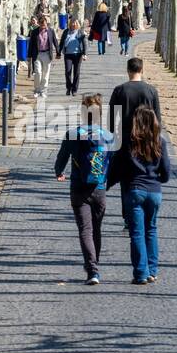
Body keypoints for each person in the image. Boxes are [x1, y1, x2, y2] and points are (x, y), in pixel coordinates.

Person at [54, 94, 114, 285]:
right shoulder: (109, 136)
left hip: (78, 187)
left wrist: (59, 172)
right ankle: (95, 264)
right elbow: (112, 163)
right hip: (99, 188)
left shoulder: (72, 134)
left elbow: (61, 158)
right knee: (96, 229)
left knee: (85, 229)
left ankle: (92, 270)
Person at [111, 105, 169, 284]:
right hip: (154, 191)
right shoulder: (161, 141)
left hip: (135, 189)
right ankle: (152, 270)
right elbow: (166, 173)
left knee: (136, 233)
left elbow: (118, 168)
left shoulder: (129, 142)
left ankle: (140, 273)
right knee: (151, 230)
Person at [107, 57, 163, 171]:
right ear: (142, 70)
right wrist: (156, 136)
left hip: (125, 135)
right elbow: (157, 117)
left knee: (126, 171)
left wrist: (112, 133)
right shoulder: (151, 90)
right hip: (147, 135)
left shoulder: (119, 90)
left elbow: (111, 115)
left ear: (127, 70)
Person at [57, 16, 87, 95]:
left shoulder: (80, 32)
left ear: (77, 24)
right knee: (67, 72)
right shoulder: (66, 32)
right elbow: (61, 43)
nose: (73, 25)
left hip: (78, 55)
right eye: (72, 23)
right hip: (68, 54)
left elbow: (84, 43)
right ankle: (68, 88)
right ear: (70, 24)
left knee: (76, 72)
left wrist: (84, 54)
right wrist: (58, 53)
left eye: (75, 23)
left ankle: (74, 89)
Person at [29, 16, 56, 97]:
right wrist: (29, 56)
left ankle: (43, 90)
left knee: (46, 73)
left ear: (46, 23)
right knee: (38, 72)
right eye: (41, 24)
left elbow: (55, 41)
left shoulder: (50, 31)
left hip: (47, 54)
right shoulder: (34, 32)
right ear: (39, 24)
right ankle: (37, 90)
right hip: (37, 54)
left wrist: (58, 52)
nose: (43, 26)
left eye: (44, 24)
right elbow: (31, 44)